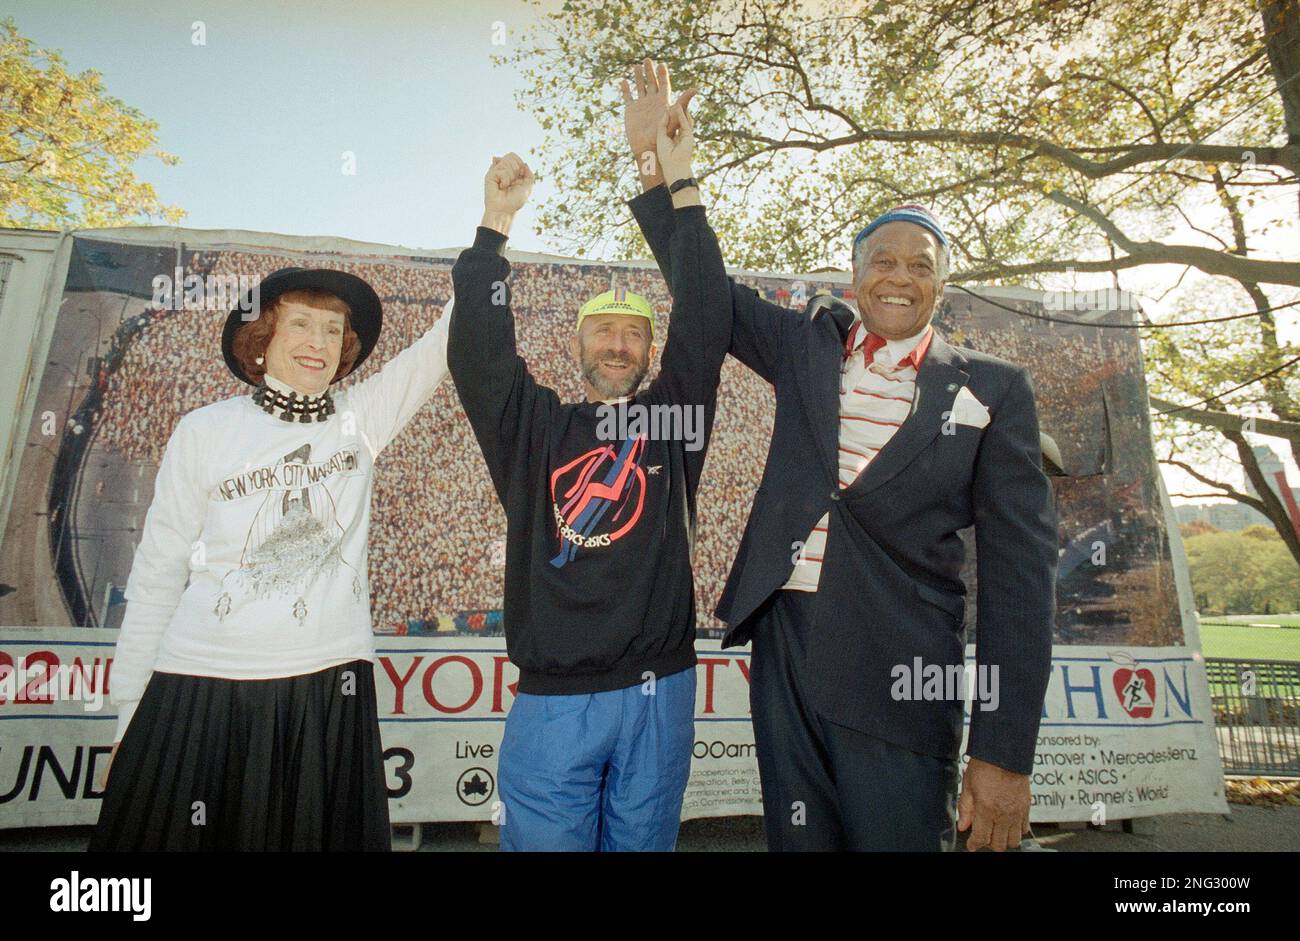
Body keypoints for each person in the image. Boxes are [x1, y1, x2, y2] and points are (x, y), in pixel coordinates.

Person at [624, 58, 1057, 852]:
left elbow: (1021, 578)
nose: (899, 276)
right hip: (786, 637)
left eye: (919, 265)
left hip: (902, 663)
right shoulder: (805, 346)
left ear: (940, 286)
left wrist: (1002, 753)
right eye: (882, 261)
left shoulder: (995, 388)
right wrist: (664, 173)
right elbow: (706, 291)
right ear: (854, 276)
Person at [447, 104, 730, 851]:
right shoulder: (536, 428)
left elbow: (706, 314)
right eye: (603, 329)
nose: (617, 341)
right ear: (576, 345)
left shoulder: (673, 419)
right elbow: (478, 359)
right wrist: (493, 229)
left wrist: (679, 181)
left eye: (634, 331)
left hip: (657, 693)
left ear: (648, 349)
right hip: (553, 702)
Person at [90, 267, 452, 851]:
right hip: (200, 684)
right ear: (262, 338)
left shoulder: (361, 420)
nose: (319, 343)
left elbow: (442, 343)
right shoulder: (203, 430)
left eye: (333, 331)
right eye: (301, 325)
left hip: (327, 688)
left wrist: (495, 225)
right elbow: (158, 573)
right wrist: (129, 711)